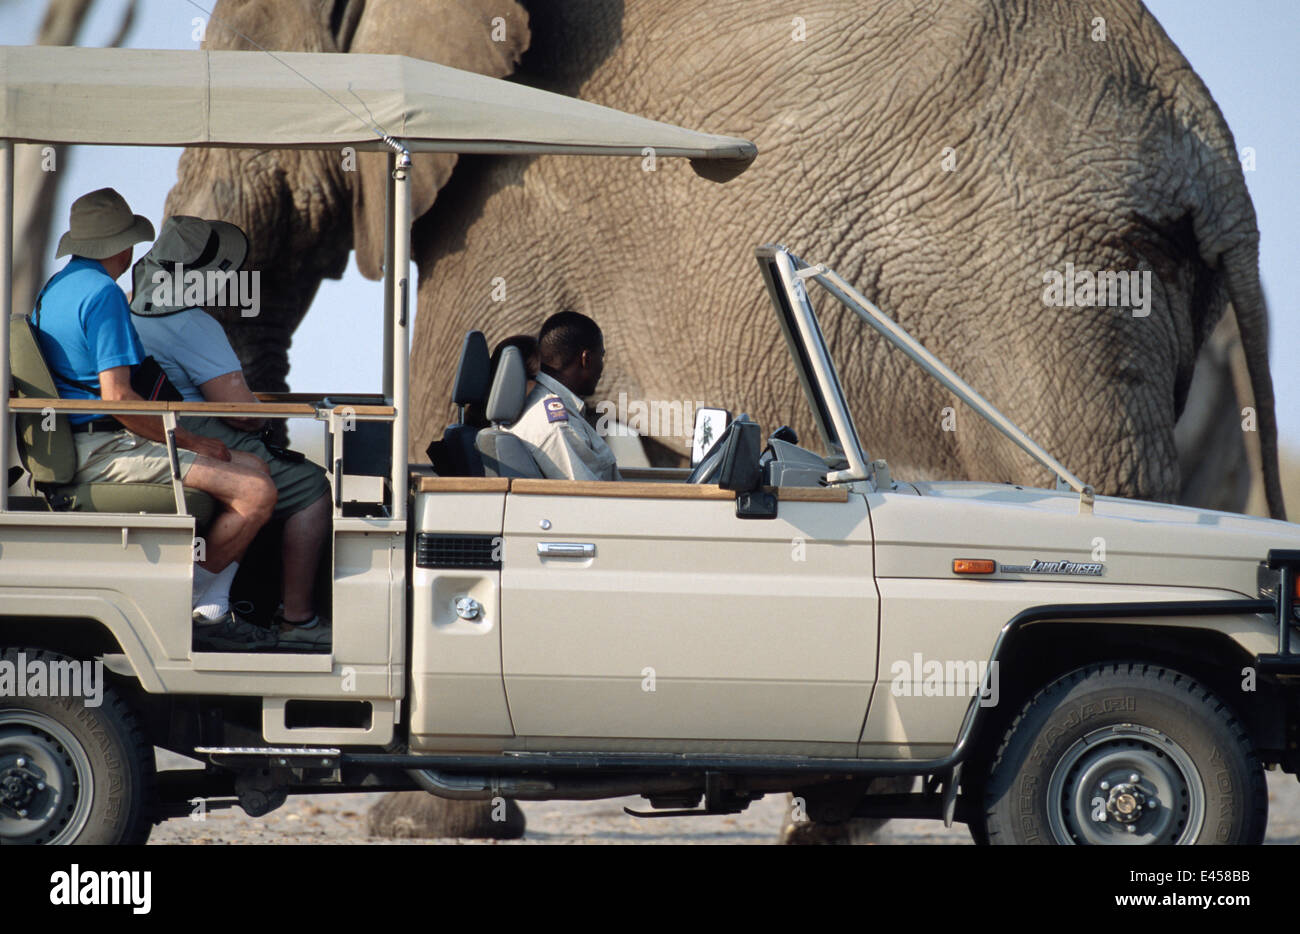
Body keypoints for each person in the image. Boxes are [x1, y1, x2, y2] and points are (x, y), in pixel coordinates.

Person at [33, 189, 278, 652]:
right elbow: (120, 399)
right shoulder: (103, 294)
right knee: (257, 490)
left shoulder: (56, 288)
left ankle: (213, 609)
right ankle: (182, 604)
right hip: (103, 448)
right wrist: (191, 441)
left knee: (255, 467)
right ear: (122, 246)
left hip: (83, 441)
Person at [130, 216, 332, 650]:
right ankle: (297, 618)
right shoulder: (190, 322)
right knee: (312, 485)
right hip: (196, 429)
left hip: (162, 429)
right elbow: (239, 411)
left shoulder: (132, 308)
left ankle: (216, 609)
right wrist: (263, 414)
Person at [503, 311, 621, 481]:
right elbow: (588, 500)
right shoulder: (558, 427)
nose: (602, 368)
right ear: (585, 359)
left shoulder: (546, 406)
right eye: (601, 357)